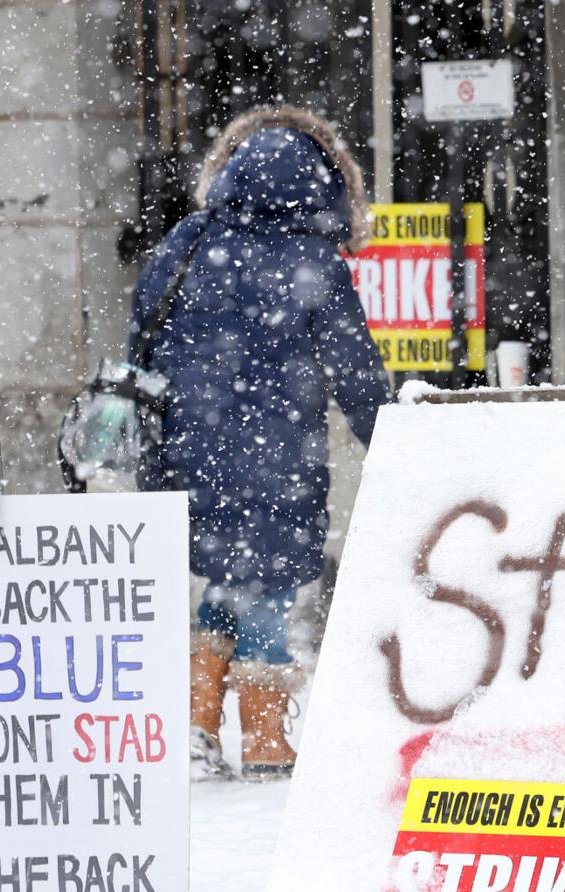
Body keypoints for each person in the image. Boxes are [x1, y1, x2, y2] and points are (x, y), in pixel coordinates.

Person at [128, 107, 387, 779]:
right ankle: (267, 736)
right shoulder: (313, 262)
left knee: (228, 570)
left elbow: (140, 338)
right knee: (266, 579)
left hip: (189, 447)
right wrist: (389, 437)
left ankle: (196, 724)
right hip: (277, 453)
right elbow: (355, 371)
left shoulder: (187, 241)